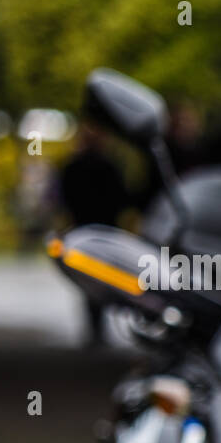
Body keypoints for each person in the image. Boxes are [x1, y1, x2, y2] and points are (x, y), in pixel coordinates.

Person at [59, 122, 131, 345]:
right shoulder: (106, 166)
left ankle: (96, 327)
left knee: (93, 280)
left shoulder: (80, 166)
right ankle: (97, 327)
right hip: (99, 230)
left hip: (89, 229)